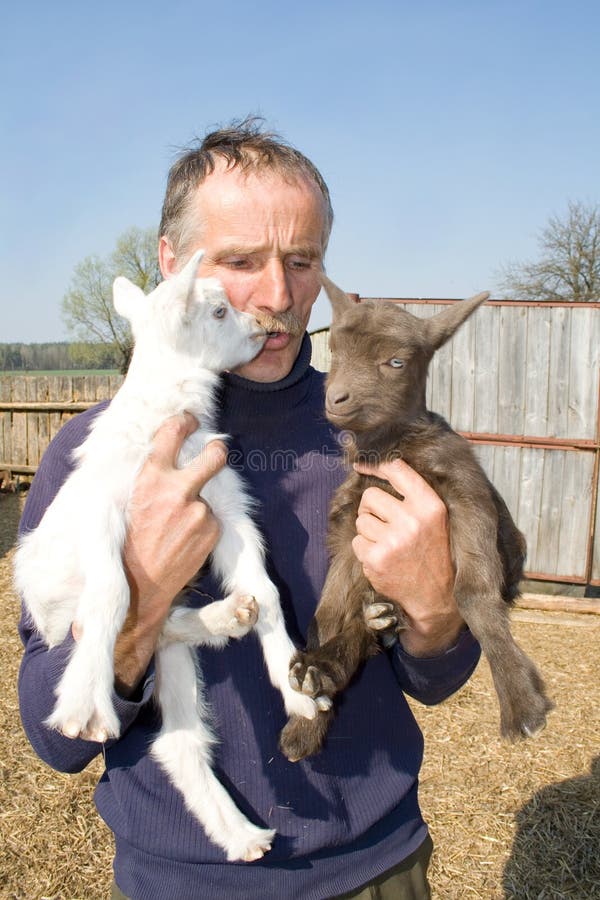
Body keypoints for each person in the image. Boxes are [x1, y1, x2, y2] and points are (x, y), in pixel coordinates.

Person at [18, 118, 481, 900]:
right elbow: (53, 738)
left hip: (376, 869)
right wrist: (143, 590)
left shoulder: (386, 435)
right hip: (185, 881)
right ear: (173, 266)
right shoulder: (91, 456)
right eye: (239, 261)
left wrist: (436, 610)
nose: (276, 296)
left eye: (301, 261)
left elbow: (438, 680)